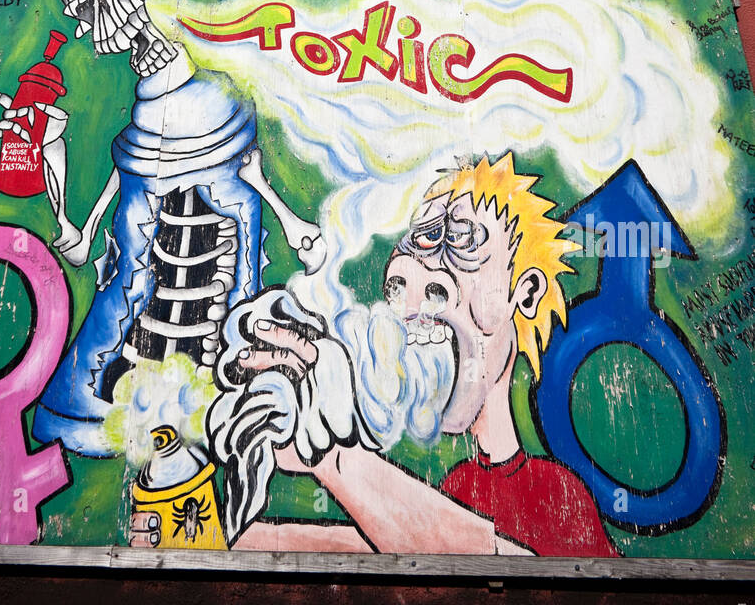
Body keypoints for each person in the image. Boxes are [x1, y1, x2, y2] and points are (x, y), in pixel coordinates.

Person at [235, 153, 618, 556]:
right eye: (426, 241)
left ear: (525, 292)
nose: (424, 281)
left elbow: (501, 560)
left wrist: (332, 456)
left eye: (465, 244)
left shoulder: (558, 493)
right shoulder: (458, 483)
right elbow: (378, 545)